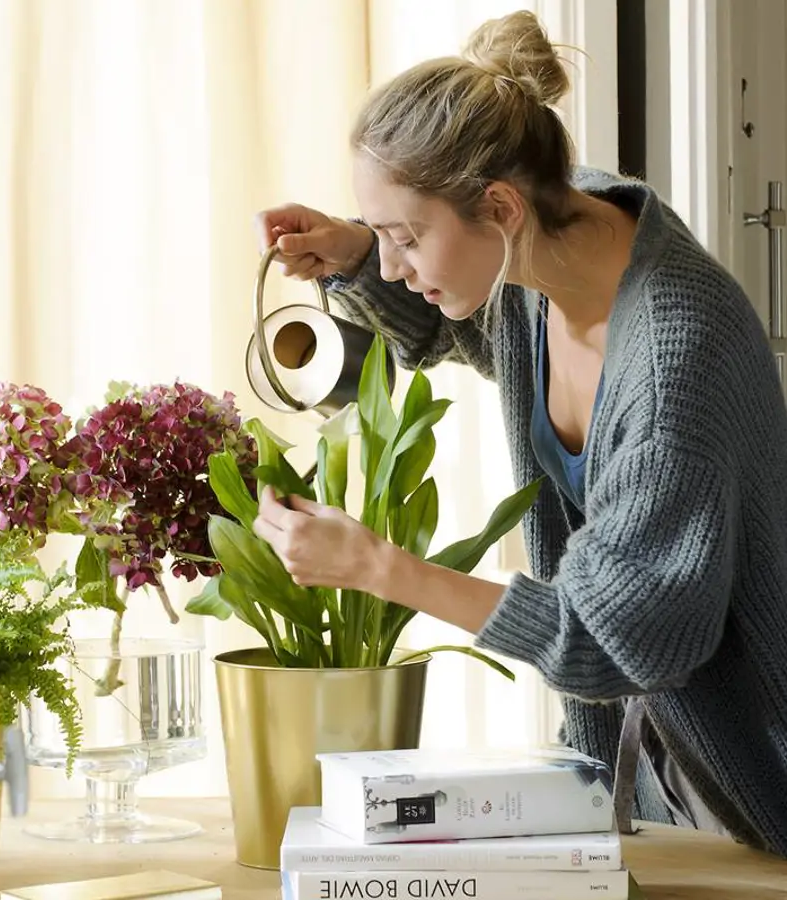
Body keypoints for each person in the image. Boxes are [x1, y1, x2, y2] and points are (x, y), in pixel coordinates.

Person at [252, 9, 787, 857]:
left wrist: (379, 569)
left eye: (407, 237)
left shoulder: (678, 354)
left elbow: (618, 644)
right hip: (645, 764)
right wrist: (357, 252)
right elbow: (472, 324)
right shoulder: (555, 235)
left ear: (498, 207)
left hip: (759, 778)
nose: (396, 265)